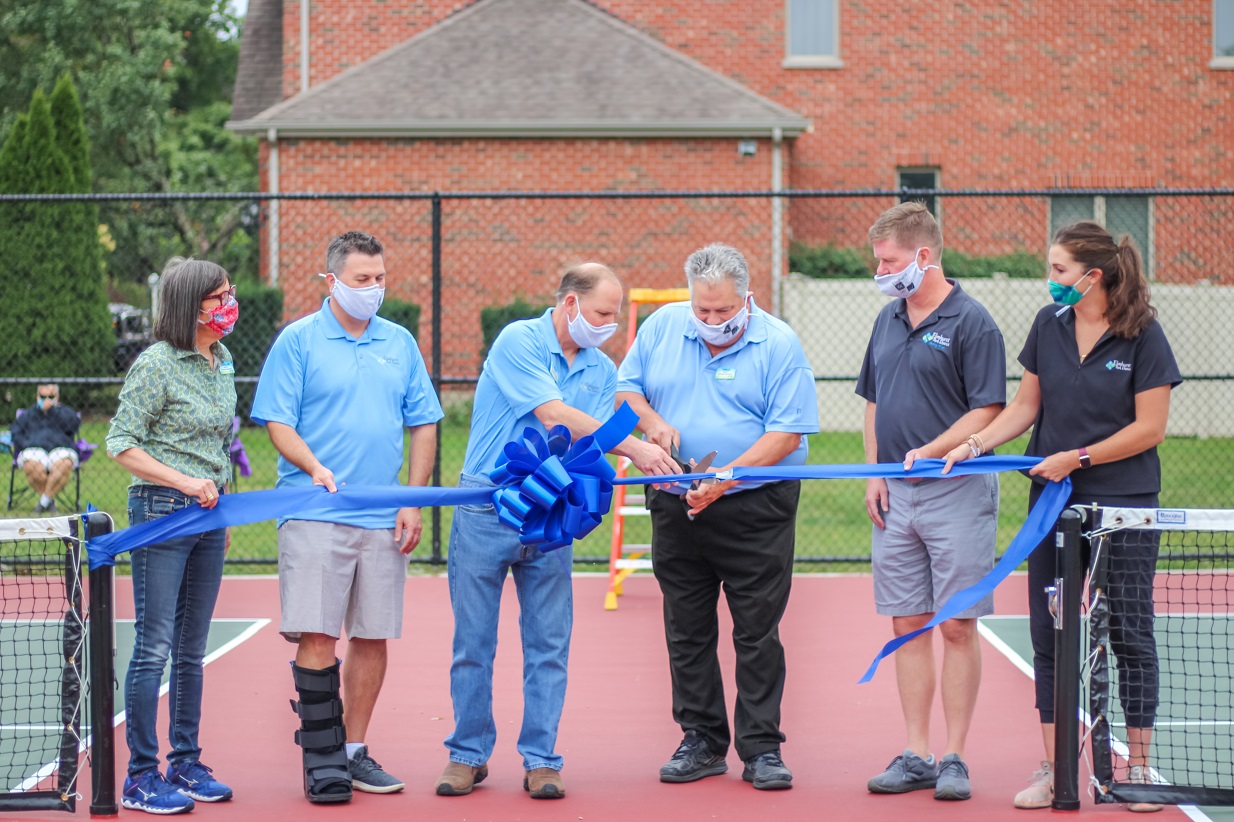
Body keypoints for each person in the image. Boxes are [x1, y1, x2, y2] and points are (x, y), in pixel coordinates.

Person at [942, 221, 1180, 813]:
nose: (1050, 281)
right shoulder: (1047, 327)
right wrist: (973, 447)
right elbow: (1025, 406)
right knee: (1049, 637)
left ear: (1091, 276)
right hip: (1053, 507)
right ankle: (1054, 768)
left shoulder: (1143, 335)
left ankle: (1141, 768)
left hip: (1124, 508)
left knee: (1130, 633)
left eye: (1058, 270)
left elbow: (1150, 428)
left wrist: (1077, 457)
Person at [436, 262, 679, 801]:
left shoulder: (599, 368)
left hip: (550, 514)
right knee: (473, 642)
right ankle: (466, 755)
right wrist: (637, 446)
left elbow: (590, 442)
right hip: (487, 507)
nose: (609, 325)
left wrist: (646, 439)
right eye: (601, 313)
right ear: (569, 303)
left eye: (614, 316)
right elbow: (553, 416)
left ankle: (541, 760)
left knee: (548, 642)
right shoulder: (518, 340)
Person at [615, 243, 819, 792]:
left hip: (757, 502)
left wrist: (727, 476)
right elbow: (626, 388)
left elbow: (788, 432)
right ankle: (701, 740)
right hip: (676, 496)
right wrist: (652, 421)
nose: (710, 321)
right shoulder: (661, 327)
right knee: (686, 628)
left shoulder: (779, 343)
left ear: (746, 298)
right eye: (701, 311)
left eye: (723, 312)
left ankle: (761, 749)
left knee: (757, 632)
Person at [251, 230, 443, 804]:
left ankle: (354, 753)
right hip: (314, 511)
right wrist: (312, 467)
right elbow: (277, 422)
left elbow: (425, 422)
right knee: (318, 632)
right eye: (363, 280)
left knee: (373, 634)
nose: (375, 289)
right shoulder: (298, 341)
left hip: (384, 516)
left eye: (380, 278)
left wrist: (412, 499)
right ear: (331, 281)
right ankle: (322, 758)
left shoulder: (400, 342)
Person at [858, 202, 1006, 802]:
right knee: (906, 622)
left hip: (957, 494)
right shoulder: (887, 319)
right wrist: (876, 473)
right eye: (877, 261)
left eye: (888, 261)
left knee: (958, 626)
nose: (880, 271)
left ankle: (955, 757)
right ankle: (916, 751)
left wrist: (932, 448)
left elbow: (989, 409)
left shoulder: (974, 322)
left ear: (923, 256)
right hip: (895, 495)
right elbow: (871, 401)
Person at [105, 257, 239, 815]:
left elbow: (217, 446)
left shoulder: (223, 360)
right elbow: (120, 442)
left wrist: (221, 505)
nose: (230, 302)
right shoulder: (156, 364)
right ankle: (141, 775)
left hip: (210, 517)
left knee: (191, 648)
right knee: (154, 645)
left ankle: (185, 762)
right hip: (162, 510)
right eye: (220, 294)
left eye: (230, 291)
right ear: (193, 304)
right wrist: (184, 481)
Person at [12, 384, 80, 514]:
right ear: (37, 396)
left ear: (57, 397)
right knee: (31, 466)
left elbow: (73, 426)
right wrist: (26, 443)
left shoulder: (65, 412)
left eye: (51, 396)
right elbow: (15, 431)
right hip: (34, 448)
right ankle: (49, 499)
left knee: (65, 464)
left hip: (61, 448)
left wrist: (53, 410)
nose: (47, 399)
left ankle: (43, 502)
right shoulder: (29, 413)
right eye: (43, 396)